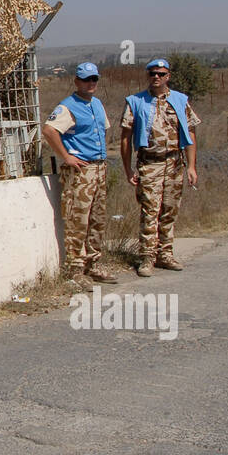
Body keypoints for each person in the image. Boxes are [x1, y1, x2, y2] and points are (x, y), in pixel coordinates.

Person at [120, 58, 200, 277]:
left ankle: (165, 254)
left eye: (161, 74)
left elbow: (190, 132)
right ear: (148, 76)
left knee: (170, 210)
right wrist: (128, 169)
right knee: (150, 211)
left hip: (174, 162)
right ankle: (147, 257)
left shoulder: (181, 101)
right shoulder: (136, 101)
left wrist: (191, 166)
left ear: (168, 77)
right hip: (149, 163)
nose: (157, 77)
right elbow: (125, 137)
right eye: (152, 73)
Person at [43, 62, 117, 285]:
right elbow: (49, 130)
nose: (91, 83)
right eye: (86, 79)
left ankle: (93, 264)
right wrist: (66, 156)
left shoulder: (96, 104)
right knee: (78, 219)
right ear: (77, 81)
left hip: (99, 166)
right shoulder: (68, 106)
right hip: (80, 170)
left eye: (94, 79)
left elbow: (103, 129)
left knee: (97, 218)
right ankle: (75, 269)